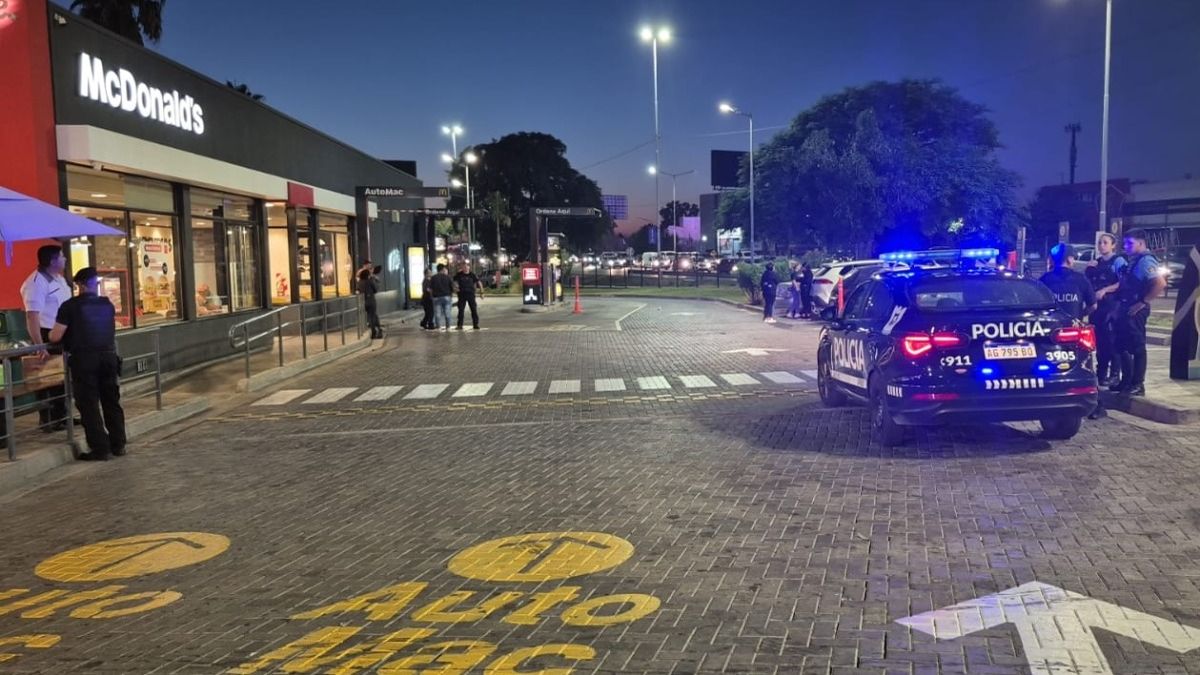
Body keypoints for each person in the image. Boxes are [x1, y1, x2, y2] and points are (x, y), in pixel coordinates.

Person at [48, 267, 126, 461]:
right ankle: (119, 444)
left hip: (84, 360)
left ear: (79, 285)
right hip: (109, 357)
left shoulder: (70, 306)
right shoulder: (107, 304)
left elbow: (55, 335)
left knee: (89, 404)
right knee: (111, 402)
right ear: (95, 283)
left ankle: (100, 448)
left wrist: (49, 336)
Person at [20, 244, 72, 432]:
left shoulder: (59, 279)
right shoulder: (35, 283)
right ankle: (50, 420)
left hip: (62, 333)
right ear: (52, 261)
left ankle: (63, 416)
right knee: (48, 379)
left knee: (62, 379)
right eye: (62, 256)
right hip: (46, 334)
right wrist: (39, 346)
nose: (65, 259)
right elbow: (32, 317)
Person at [1111, 229, 1166, 396]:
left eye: (1130, 243)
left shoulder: (1146, 261)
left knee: (1137, 346)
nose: (1126, 246)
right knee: (1122, 345)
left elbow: (1160, 284)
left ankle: (1137, 384)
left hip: (1136, 310)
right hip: (1126, 308)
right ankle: (1126, 381)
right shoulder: (1134, 261)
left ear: (1141, 243)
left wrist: (1142, 302)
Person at [1085, 233, 1127, 389]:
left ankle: (1115, 375)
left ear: (1113, 245)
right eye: (1100, 242)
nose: (1102, 245)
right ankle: (1101, 373)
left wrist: (1105, 290)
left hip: (1112, 305)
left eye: (1105, 242)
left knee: (1112, 340)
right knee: (1099, 341)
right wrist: (1089, 269)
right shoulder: (1096, 263)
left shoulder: (1119, 261)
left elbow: (1122, 283)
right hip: (1098, 308)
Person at [1040, 244, 1096, 321]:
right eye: (1073, 258)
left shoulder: (1044, 279)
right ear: (1069, 259)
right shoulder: (1080, 278)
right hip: (1074, 326)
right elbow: (1093, 305)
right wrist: (1081, 314)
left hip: (1052, 326)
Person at [453, 263, 483, 330]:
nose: (465, 268)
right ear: (462, 268)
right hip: (461, 295)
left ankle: (475, 324)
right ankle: (460, 325)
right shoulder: (459, 274)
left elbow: (479, 283)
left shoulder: (472, 275)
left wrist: (482, 292)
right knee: (461, 310)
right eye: (464, 267)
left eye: (466, 267)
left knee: (473, 310)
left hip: (471, 295)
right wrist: (456, 287)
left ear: (469, 268)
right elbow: (454, 282)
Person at [357, 269, 383, 339]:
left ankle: (374, 331)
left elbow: (358, 290)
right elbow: (375, 289)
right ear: (367, 275)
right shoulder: (369, 281)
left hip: (363, 302)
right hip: (371, 301)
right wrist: (375, 281)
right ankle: (376, 331)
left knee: (369, 317)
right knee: (373, 316)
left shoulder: (359, 282)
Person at [429, 263, 454, 332]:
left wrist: (432, 296)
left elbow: (430, 289)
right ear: (443, 269)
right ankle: (448, 327)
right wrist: (451, 294)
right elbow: (452, 287)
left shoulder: (433, 278)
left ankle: (438, 327)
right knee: (447, 312)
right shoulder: (448, 277)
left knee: (437, 313)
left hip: (436, 297)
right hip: (447, 296)